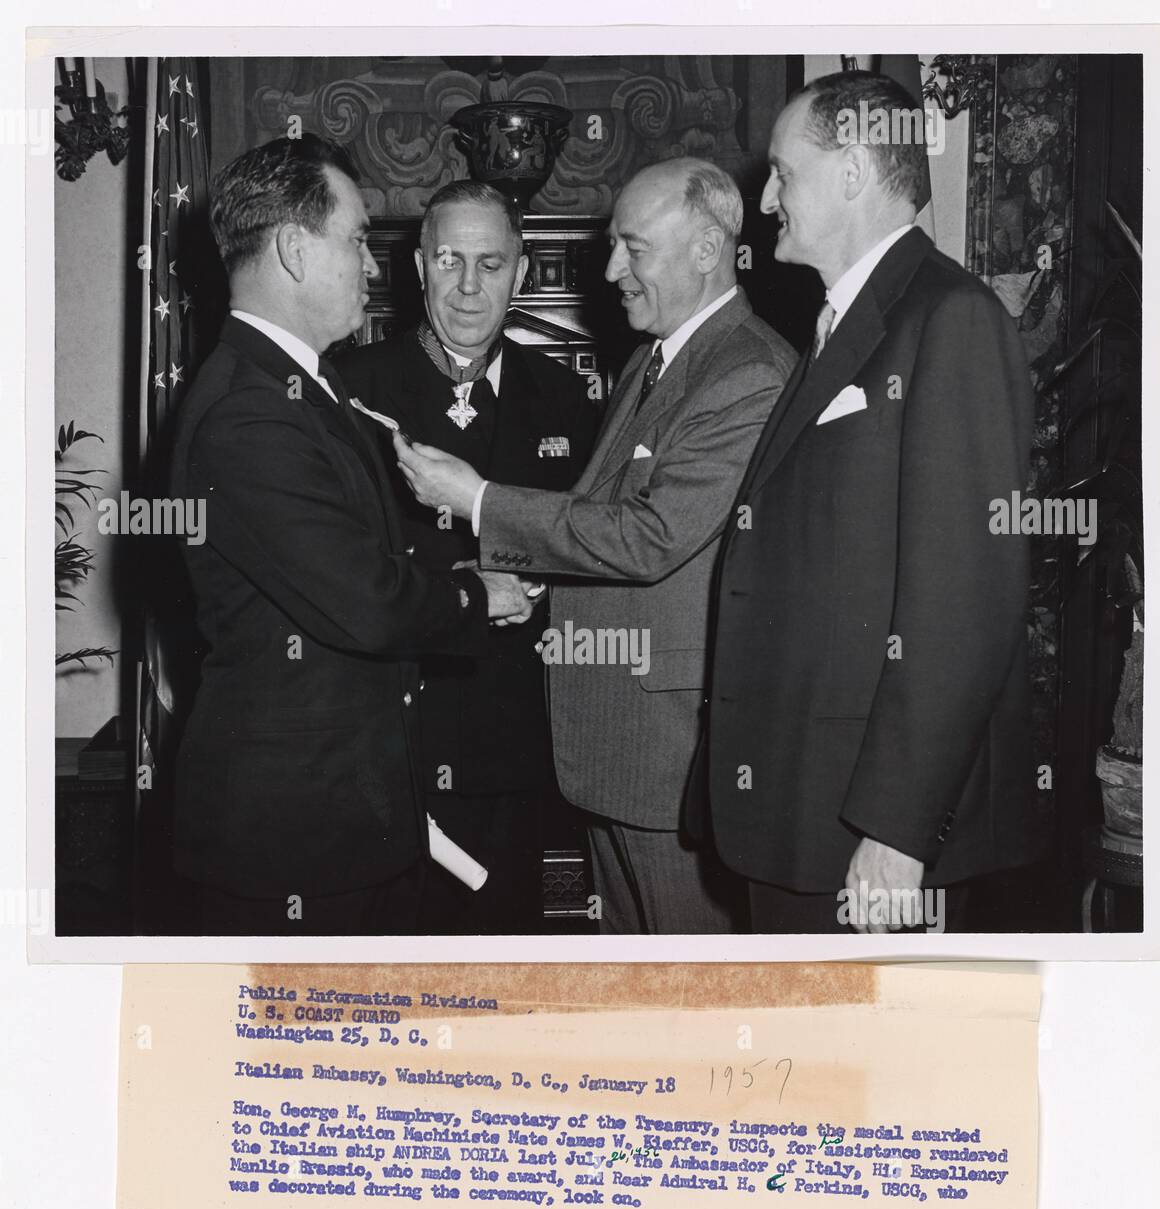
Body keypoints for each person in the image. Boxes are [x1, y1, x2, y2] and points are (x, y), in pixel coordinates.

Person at [395, 157, 795, 934]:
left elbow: (649, 538)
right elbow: (599, 513)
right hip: (616, 749)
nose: (611, 269)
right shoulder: (651, 360)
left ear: (709, 249)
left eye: (633, 248)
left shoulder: (747, 373)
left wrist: (476, 499)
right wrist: (533, 583)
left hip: (667, 757)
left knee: (685, 997)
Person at [169, 135, 533, 934]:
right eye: (359, 239)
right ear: (297, 251)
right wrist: (482, 593)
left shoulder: (296, 385)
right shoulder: (250, 411)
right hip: (293, 839)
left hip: (343, 823)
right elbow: (366, 602)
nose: (373, 266)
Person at [700, 72, 1036, 934]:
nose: (767, 199)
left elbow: (963, 605)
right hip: (796, 813)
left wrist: (897, 830)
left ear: (852, 170)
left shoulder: (950, 318)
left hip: (860, 834)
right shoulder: (840, 323)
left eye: (783, 172)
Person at [335, 182, 599, 934]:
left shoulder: (568, 399)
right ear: (418, 267)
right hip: (386, 742)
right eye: (449, 260)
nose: (469, 286)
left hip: (510, 743)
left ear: (521, 275)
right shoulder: (351, 392)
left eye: (491, 263)